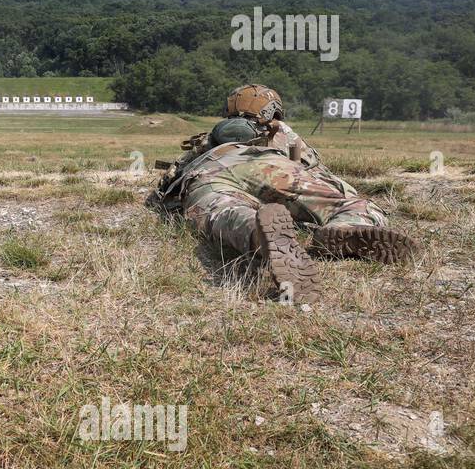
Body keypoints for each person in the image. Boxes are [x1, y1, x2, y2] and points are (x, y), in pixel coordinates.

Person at [149, 84, 418, 304]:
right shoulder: (281, 133)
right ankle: (350, 223)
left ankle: (256, 231)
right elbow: (315, 168)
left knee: (224, 212)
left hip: (208, 173)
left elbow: (169, 183)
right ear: (274, 111)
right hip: (270, 165)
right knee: (345, 203)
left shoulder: (205, 140)